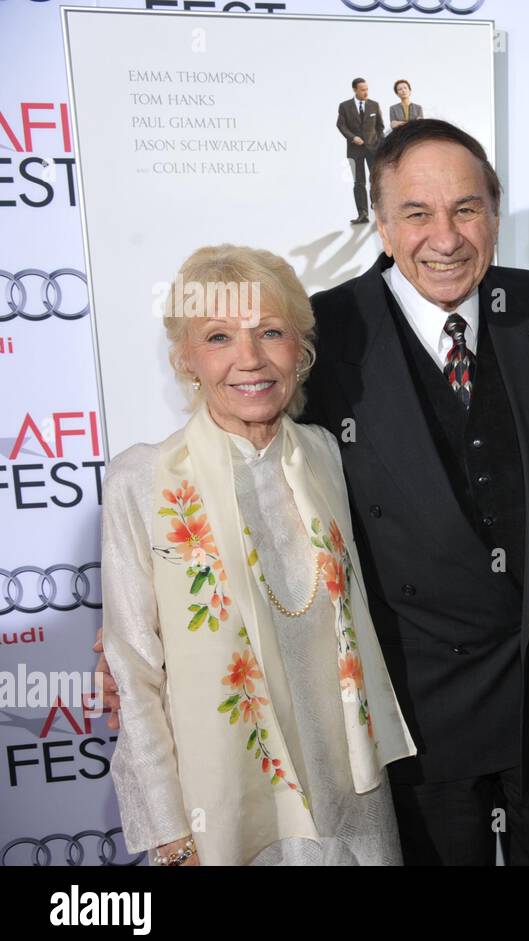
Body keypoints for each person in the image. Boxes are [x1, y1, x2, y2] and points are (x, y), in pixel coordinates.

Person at [303, 119, 529, 865]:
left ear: (494, 216)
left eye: (467, 209)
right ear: (379, 222)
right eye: (417, 213)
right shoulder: (319, 334)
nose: (447, 237)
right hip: (416, 713)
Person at [100, 245, 415, 866]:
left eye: (271, 332)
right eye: (218, 337)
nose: (249, 360)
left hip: (352, 794)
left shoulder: (324, 454)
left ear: (301, 350)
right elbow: (133, 671)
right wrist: (168, 832)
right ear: (185, 359)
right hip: (226, 810)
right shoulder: (144, 480)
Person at [337, 77, 385, 225]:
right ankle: (362, 214)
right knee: (359, 182)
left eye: (367, 89)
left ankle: (376, 208)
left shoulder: (374, 105)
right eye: (363, 90)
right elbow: (341, 125)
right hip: (354, 150)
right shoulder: (344, 106)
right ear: (355, 90)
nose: (366, 92)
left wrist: (381, 145)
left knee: (375, 180)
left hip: (374, 148)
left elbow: (380, 127)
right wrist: (352, 138)